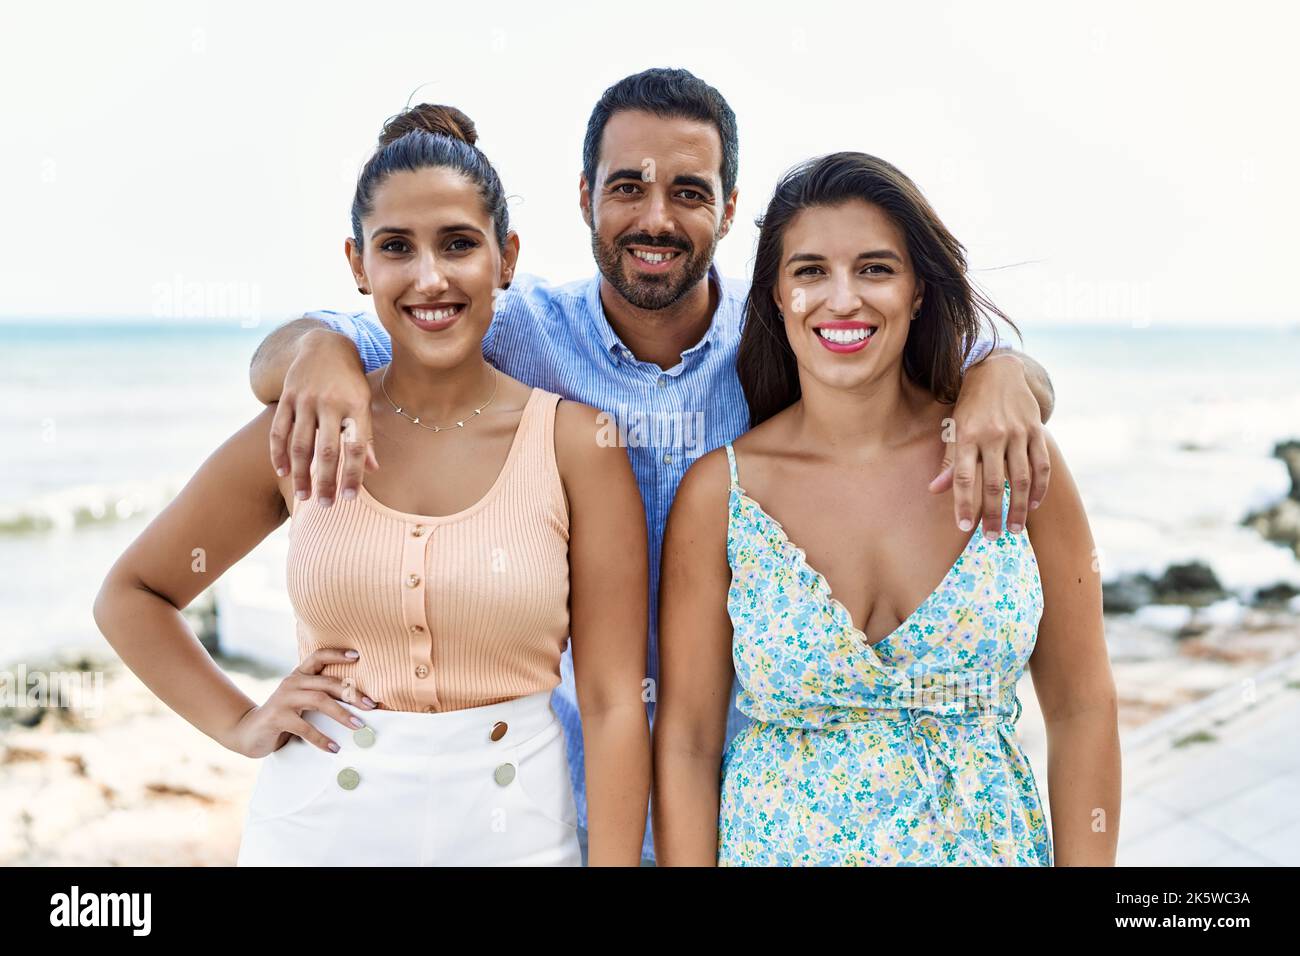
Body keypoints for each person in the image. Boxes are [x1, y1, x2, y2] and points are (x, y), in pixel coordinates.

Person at [247, 69, 1057, 863]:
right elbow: (303, 353)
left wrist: (1003, 375)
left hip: (755, 804)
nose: (656, 217)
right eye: (628, 186)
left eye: (690, 191)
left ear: (730, 209)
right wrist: (320, 347)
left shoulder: (786, 333)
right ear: (584, 197)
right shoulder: (515, 331)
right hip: (547, 795)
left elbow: (975, 362)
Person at [93, 104, 651, 866]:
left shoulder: (579, 445)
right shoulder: (298, 432)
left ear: (506, 257)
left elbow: (617, 706)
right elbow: (133, 596)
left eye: (459, 244)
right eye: (397, 248)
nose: (430, 278)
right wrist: (242, 721)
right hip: (317, 826)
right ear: (358, 265)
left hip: (515, 830)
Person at [653, 152, 1120, 865]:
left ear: (918, 292)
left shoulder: (1015, 461)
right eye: (810, 271)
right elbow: (687, 742)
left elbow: (1082, 707)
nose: (843, 299)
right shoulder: (723, 494)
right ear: (777, 296)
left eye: (875, 268)